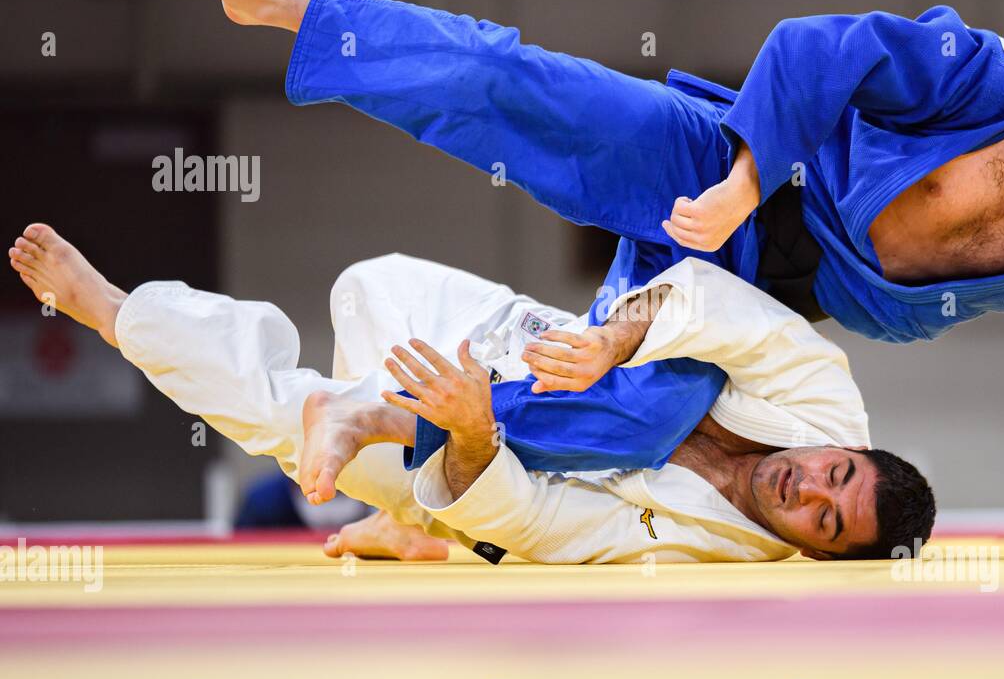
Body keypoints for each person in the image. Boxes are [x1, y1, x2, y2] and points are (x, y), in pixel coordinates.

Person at [181, 0, 1004, 556]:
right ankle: (282, 5)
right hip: (717, 168)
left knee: (630, 427)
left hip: (744, 301)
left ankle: (386, 447)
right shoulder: (976, 76)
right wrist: (746, 177)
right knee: (520, 84)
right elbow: (809, 50)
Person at [8, 223, 936, 564]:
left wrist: (472, 438)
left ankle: (119, 312)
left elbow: (553, 532)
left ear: (815, 556)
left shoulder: (715, 556)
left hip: (476, 451)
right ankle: (408, 500)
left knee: (281, 419)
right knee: (370, 284)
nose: (807, 486)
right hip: (537, 352)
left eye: (823, 520)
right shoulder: (821, 391)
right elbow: (717, 308)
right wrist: (612, 339)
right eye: (836, 472)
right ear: (847, 444)